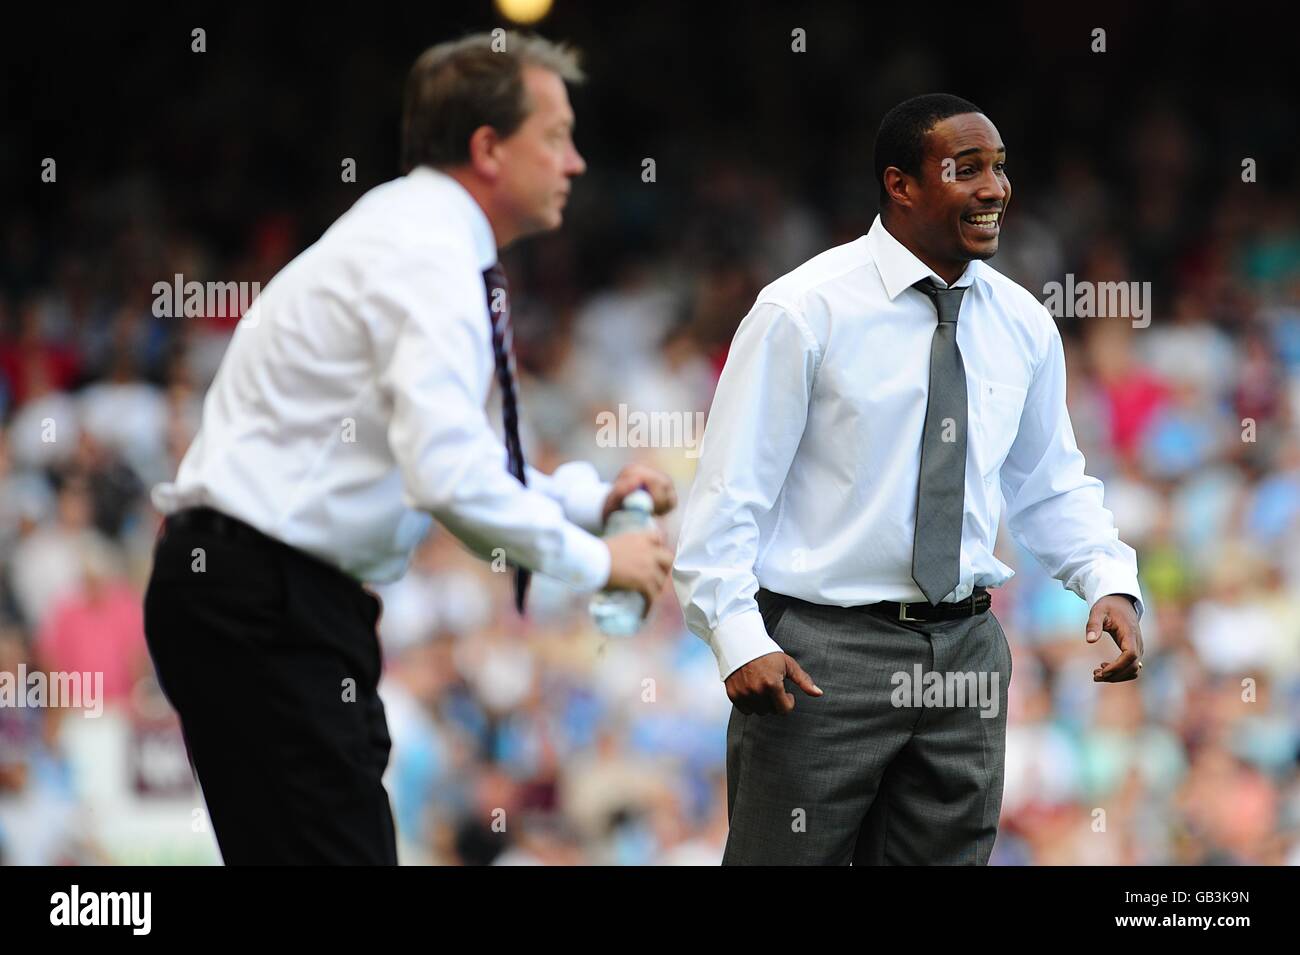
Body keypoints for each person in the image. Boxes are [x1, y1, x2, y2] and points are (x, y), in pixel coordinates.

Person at [144, 32, 675, 865]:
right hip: (264, 598)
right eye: (556, 135)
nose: (574, 161)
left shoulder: (419, 235)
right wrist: (598, 562)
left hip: (272, 596)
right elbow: (448, 477)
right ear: (489, 148)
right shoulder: (426, 253)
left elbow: (447, 461)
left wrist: (583, 500)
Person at [672, 93, 1143, 865]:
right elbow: (729, 495)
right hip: (821, 657)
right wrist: (735, 635)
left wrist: (1107, 580)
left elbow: (1048, 480)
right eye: (968, 169)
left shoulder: (1022, 321)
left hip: (966, 652)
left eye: (999, 167)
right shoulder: (803, 310)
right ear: (902, 184)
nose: (995, 188)